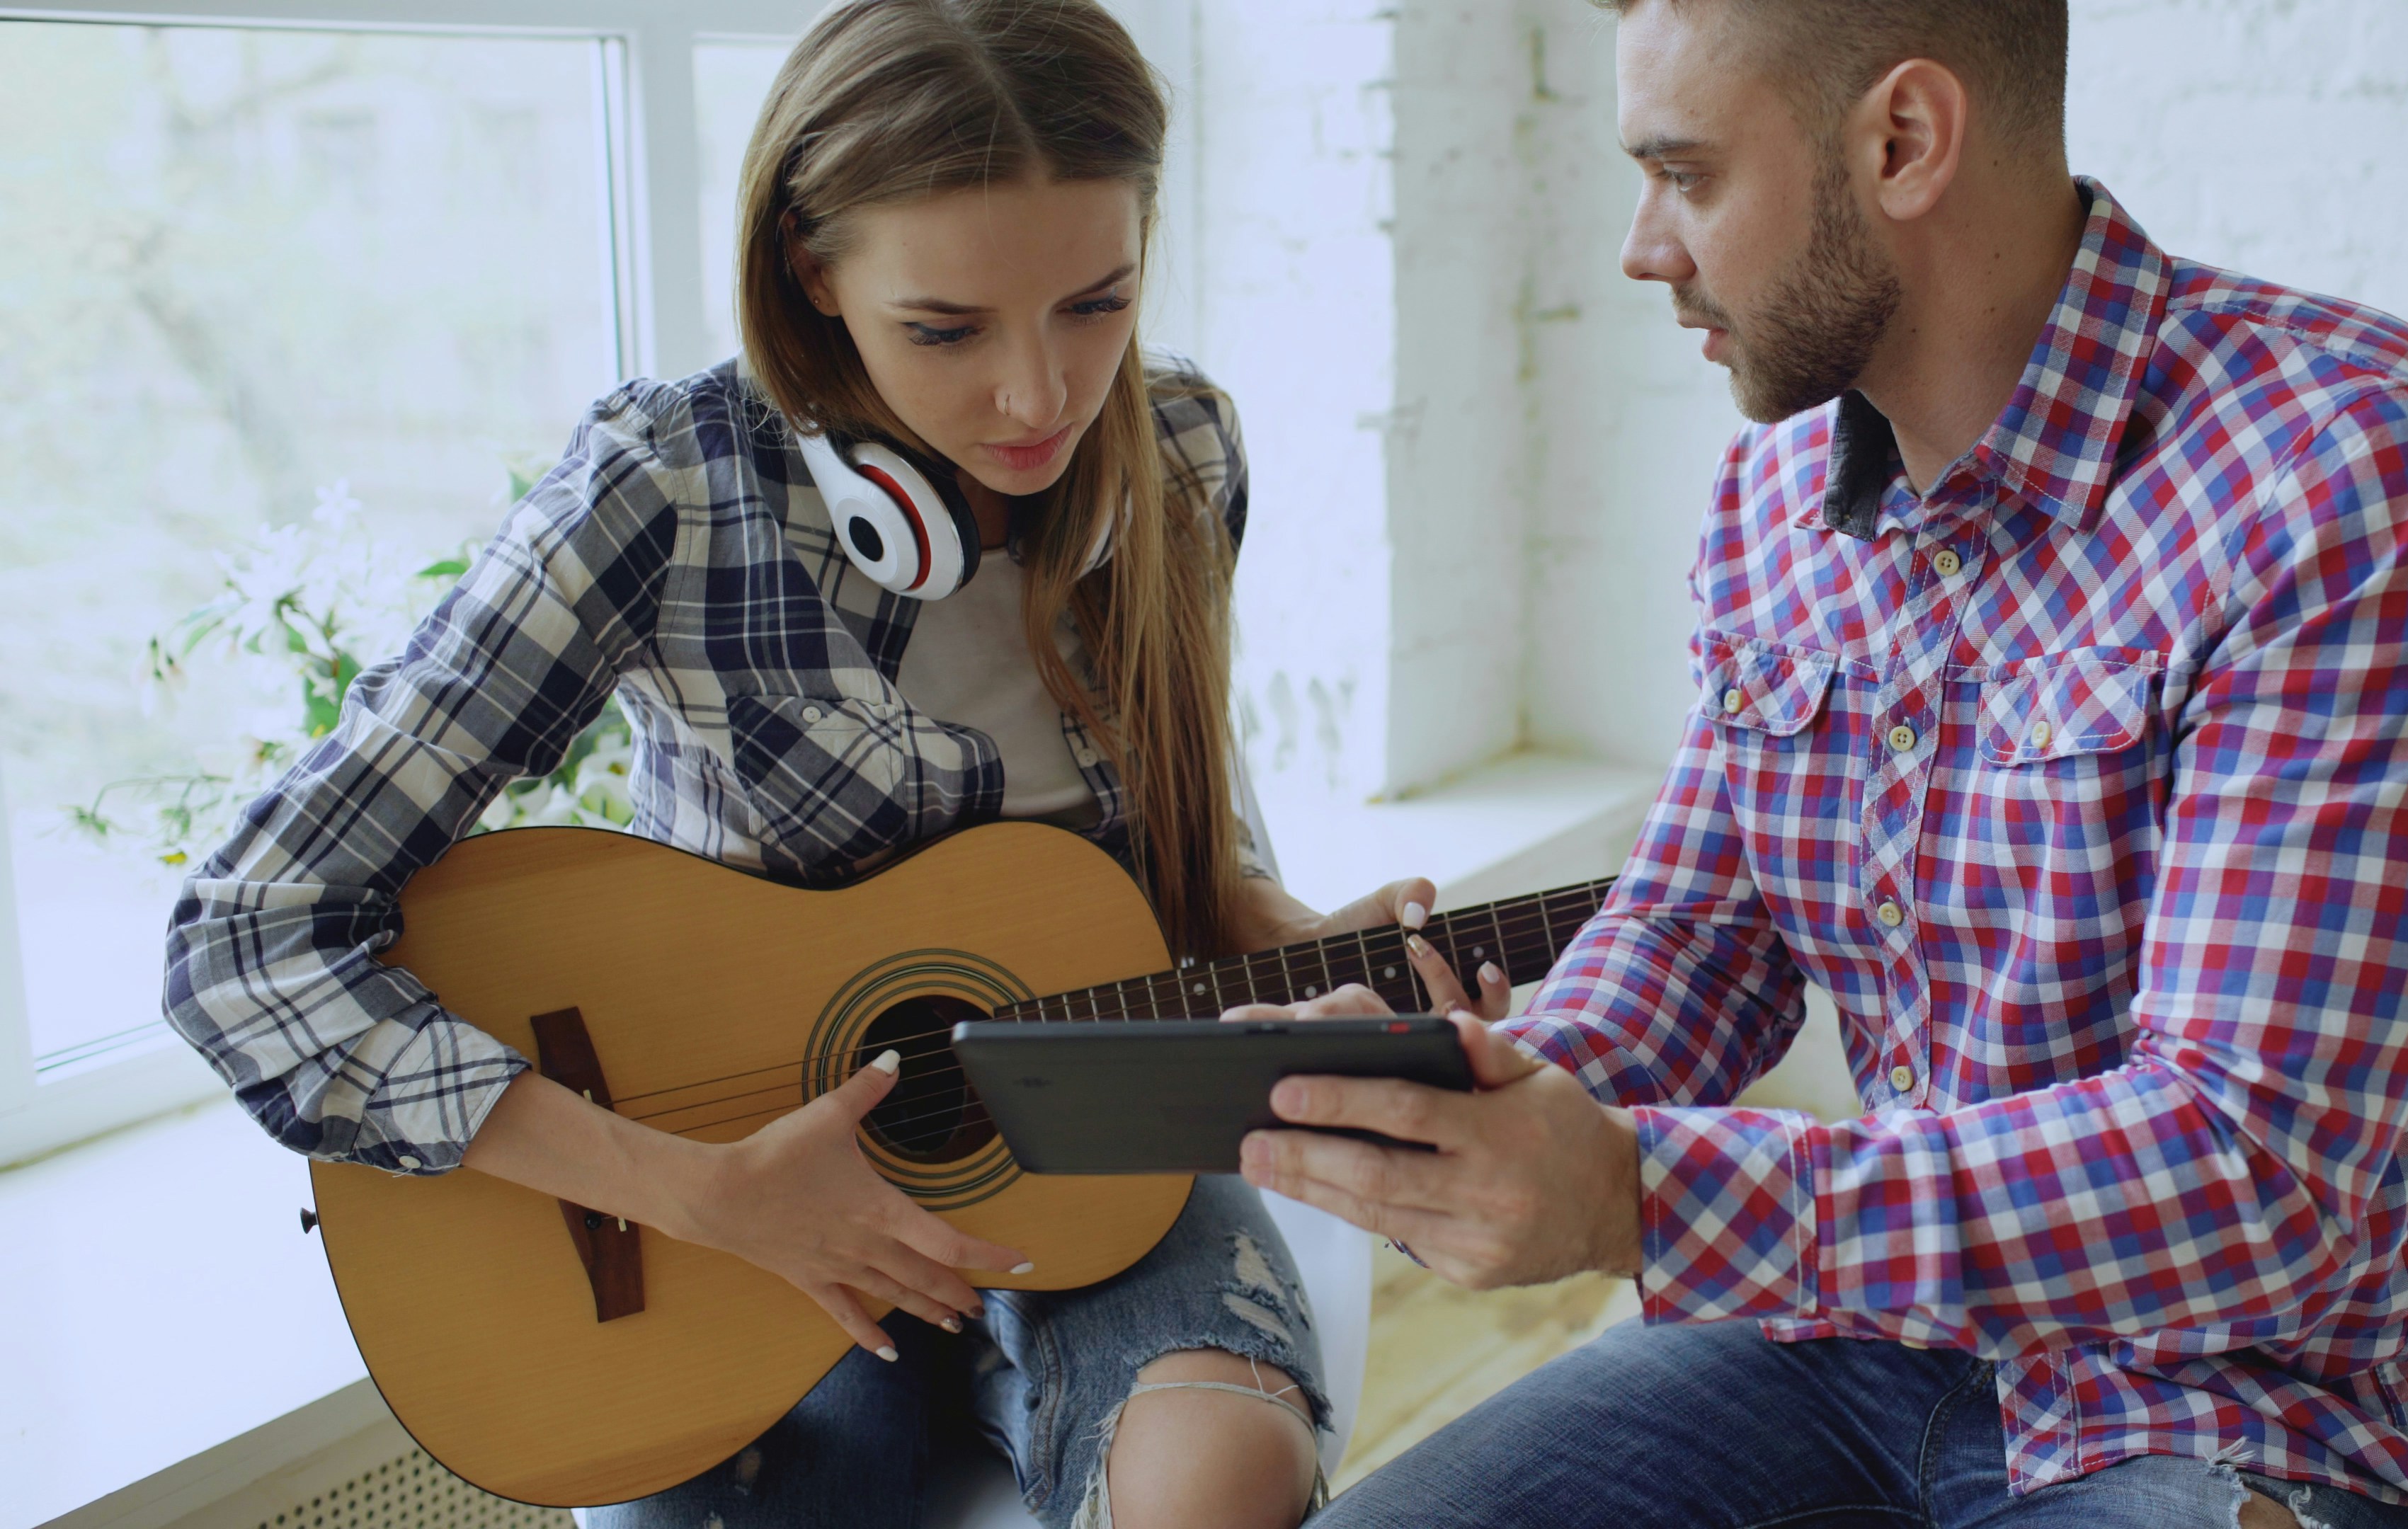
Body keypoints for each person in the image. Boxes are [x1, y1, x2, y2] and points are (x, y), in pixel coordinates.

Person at [1230, 2, 2408, 1526]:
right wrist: (1494, 1104)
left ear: (1904, 143)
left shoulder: (2365, 477)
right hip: (1894, 1346)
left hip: (2284, 1425)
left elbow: (2257, 1177)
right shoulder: (1779, 495)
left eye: (1685, 174)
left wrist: (1632, 1193)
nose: (1640, 248)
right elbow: (1697, 931)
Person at [161, 4, 1459, 1525]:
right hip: (727, 1215)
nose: (1041, 398)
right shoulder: (668, 491)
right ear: (810, 268)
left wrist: (1297, 937)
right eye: (947, 330)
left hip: (1102, 1132)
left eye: (1095, 305)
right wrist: (692, 1191)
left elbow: (1190, 852)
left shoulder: (1182, 455)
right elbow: (241, 938)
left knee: (1222, 1485)